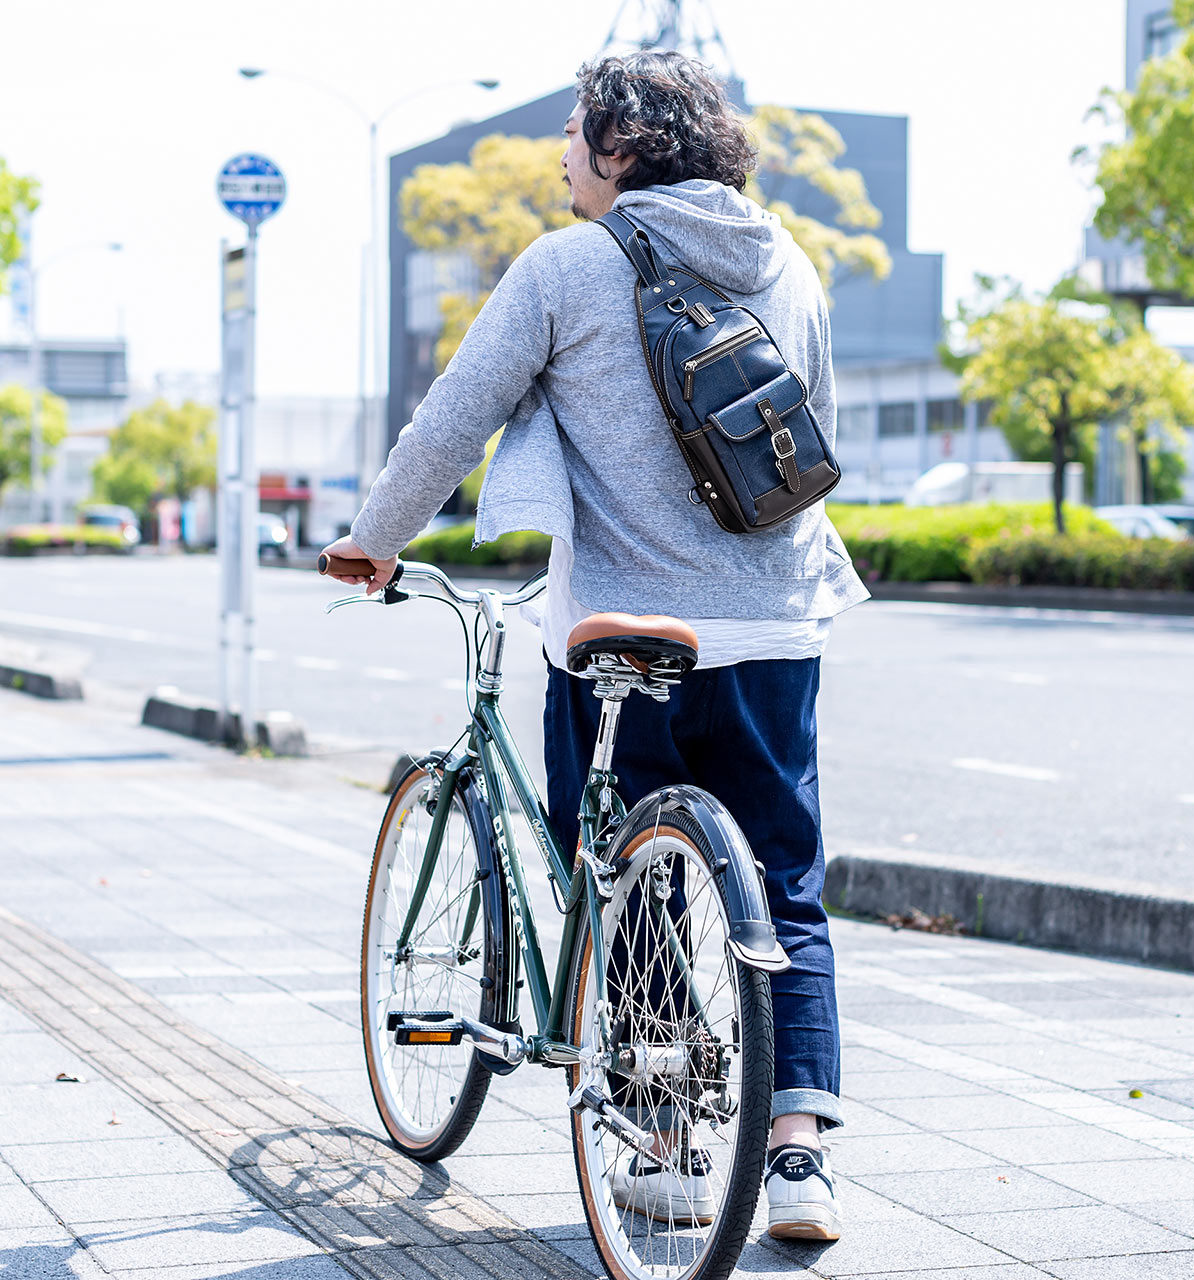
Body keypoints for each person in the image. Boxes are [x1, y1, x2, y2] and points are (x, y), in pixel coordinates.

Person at [321, 49, 869, 1241]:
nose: (561, 155)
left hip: (621, 630)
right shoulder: (789, 260)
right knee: (783, 883)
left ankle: (668, 1143)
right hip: (774, 621)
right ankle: (797, 1162)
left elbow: (452, 416)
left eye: (573, 135)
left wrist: (372, 540)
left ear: (621, 146)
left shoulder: (567, 264)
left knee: (621, 873)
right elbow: (808, 432)